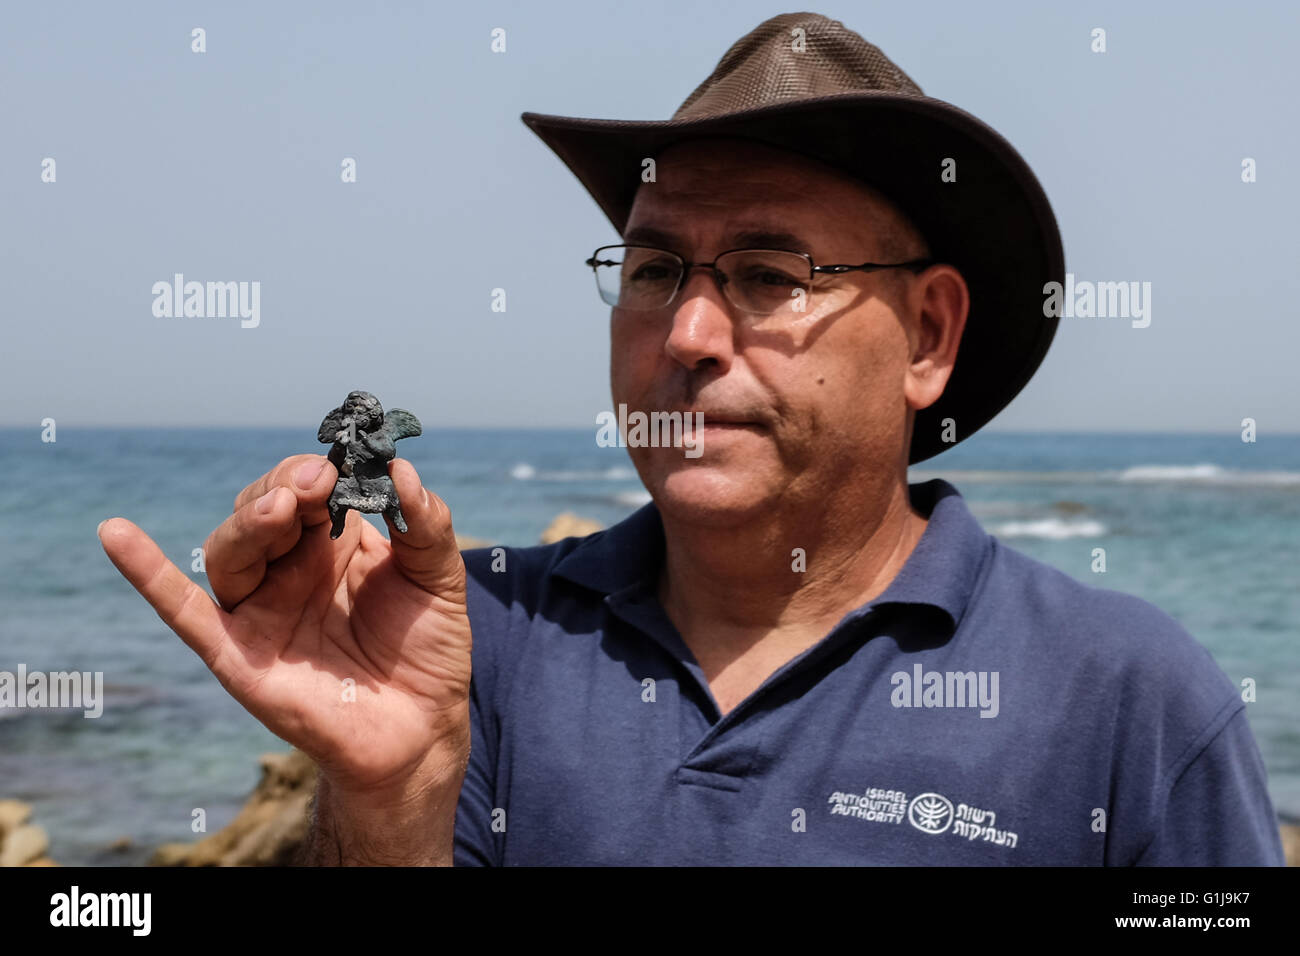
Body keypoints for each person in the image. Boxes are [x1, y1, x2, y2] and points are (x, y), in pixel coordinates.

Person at [97, 13, 1284, 865]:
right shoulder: (473, 639)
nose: (690, 331)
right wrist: (388, 795)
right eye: (655, 267)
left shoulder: (1130, 698)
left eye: (769, 273)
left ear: (928, 334)